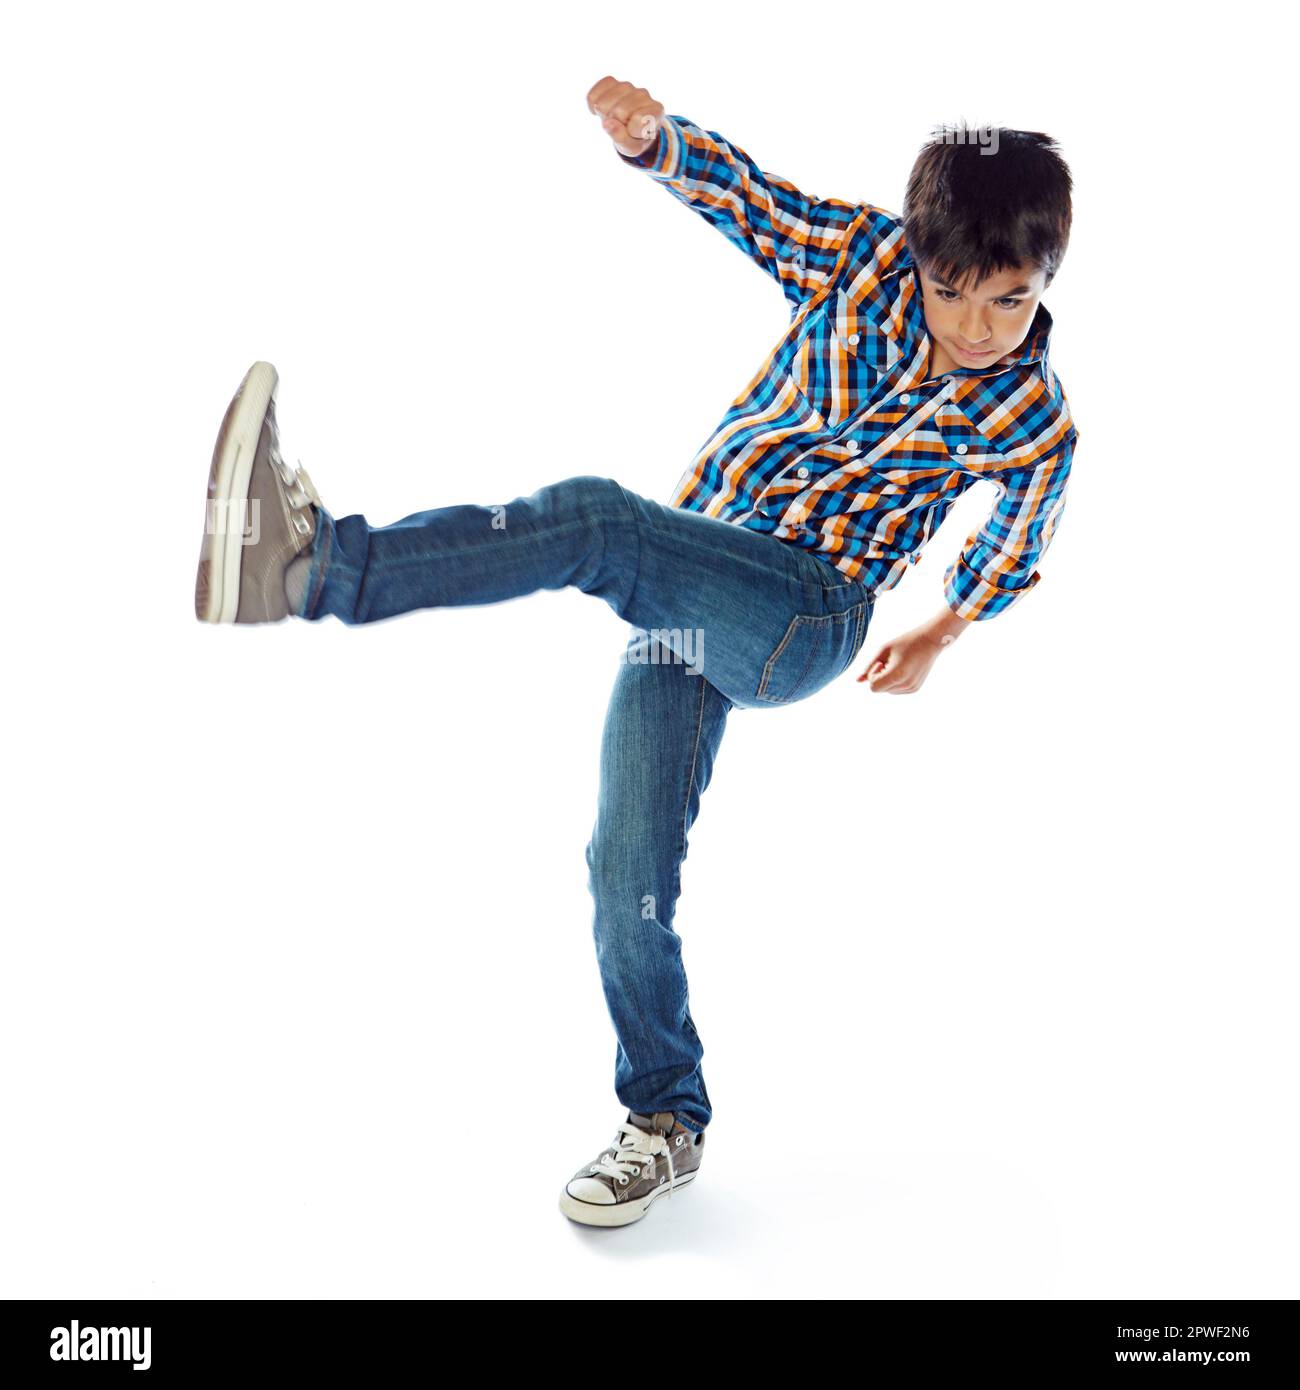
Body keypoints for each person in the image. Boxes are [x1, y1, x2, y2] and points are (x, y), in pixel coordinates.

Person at [193, 76, 1080, 1228]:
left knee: (596, 523)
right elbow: (753, 201)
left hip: (803, 616)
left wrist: (942, 627)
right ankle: (666, 1116)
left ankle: (315, 568)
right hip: (697, 575)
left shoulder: (1035, 419)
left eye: (1007, 304)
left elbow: (1017, 538)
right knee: (625, 871)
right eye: (951, 292)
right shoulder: (859, 257)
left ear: (1045, 279)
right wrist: (659, 142)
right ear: (916, 254)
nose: (974, 329)